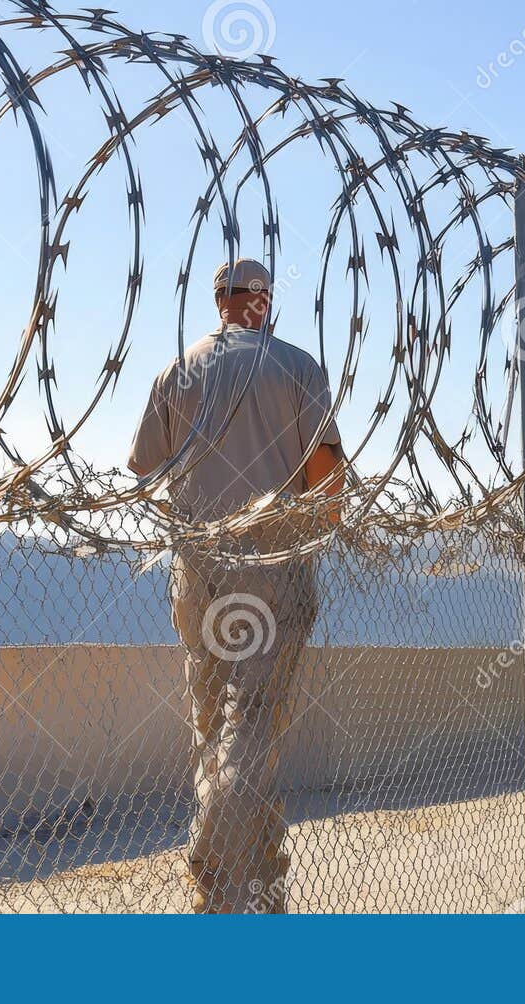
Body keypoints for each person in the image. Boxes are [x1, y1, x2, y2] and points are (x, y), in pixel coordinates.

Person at [128, 258, 346, 912]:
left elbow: (145, 465)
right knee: (254, 724)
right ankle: (213, 851)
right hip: (274, 565)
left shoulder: (179, 370)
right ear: (264, 301)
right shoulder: (297, 367)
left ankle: (252, 891)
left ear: (218, 299)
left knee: (211, 720)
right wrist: (317, 528)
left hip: (198, 569)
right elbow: (325, 473)